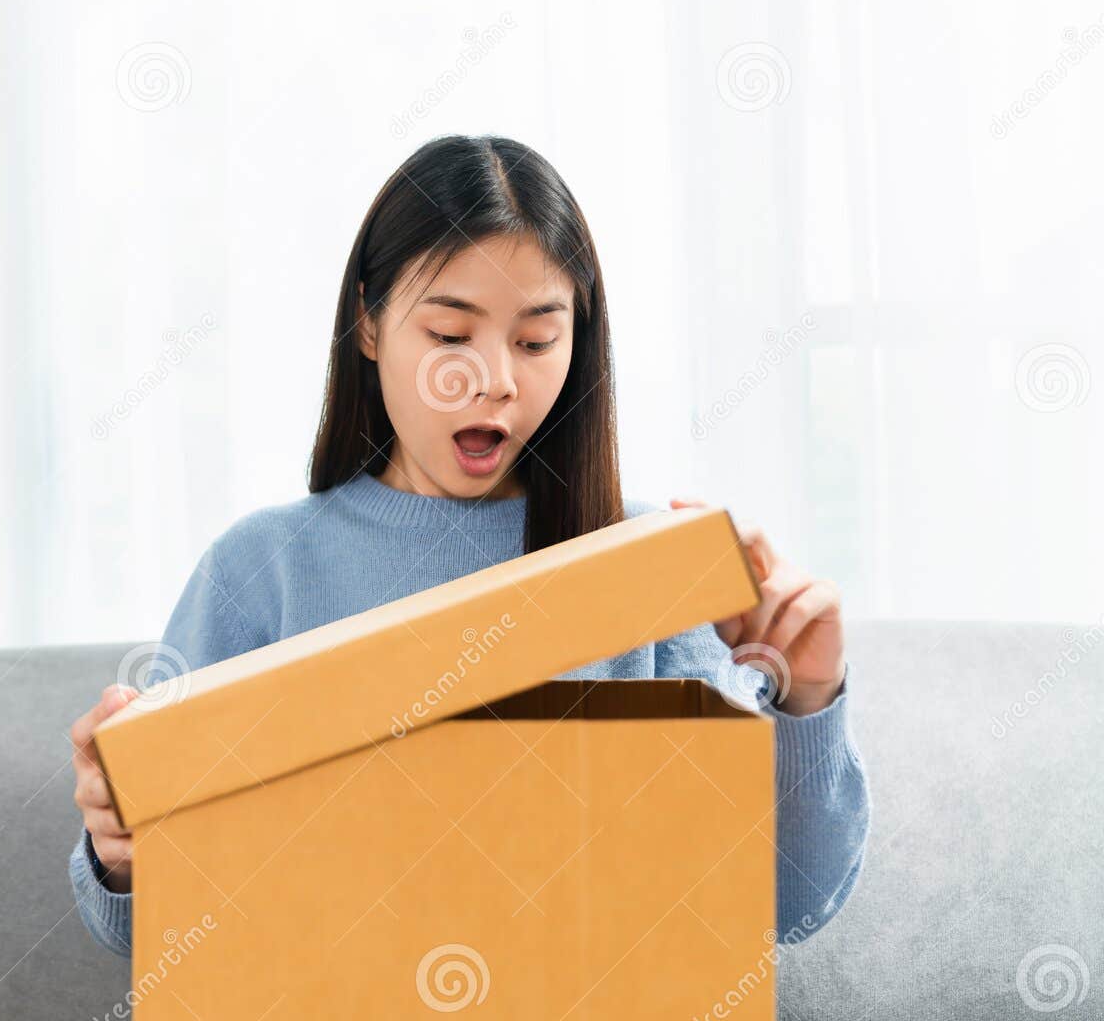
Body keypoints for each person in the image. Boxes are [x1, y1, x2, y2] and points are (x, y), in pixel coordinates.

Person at [68, 134, 870, 959]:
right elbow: (145, 937)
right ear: (370, 326)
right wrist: (122, 850)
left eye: (534, 342)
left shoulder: (648, 567)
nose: (494, 380)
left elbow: (785, 903)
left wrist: (806, 698)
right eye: (451, 334)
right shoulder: (259, 571)